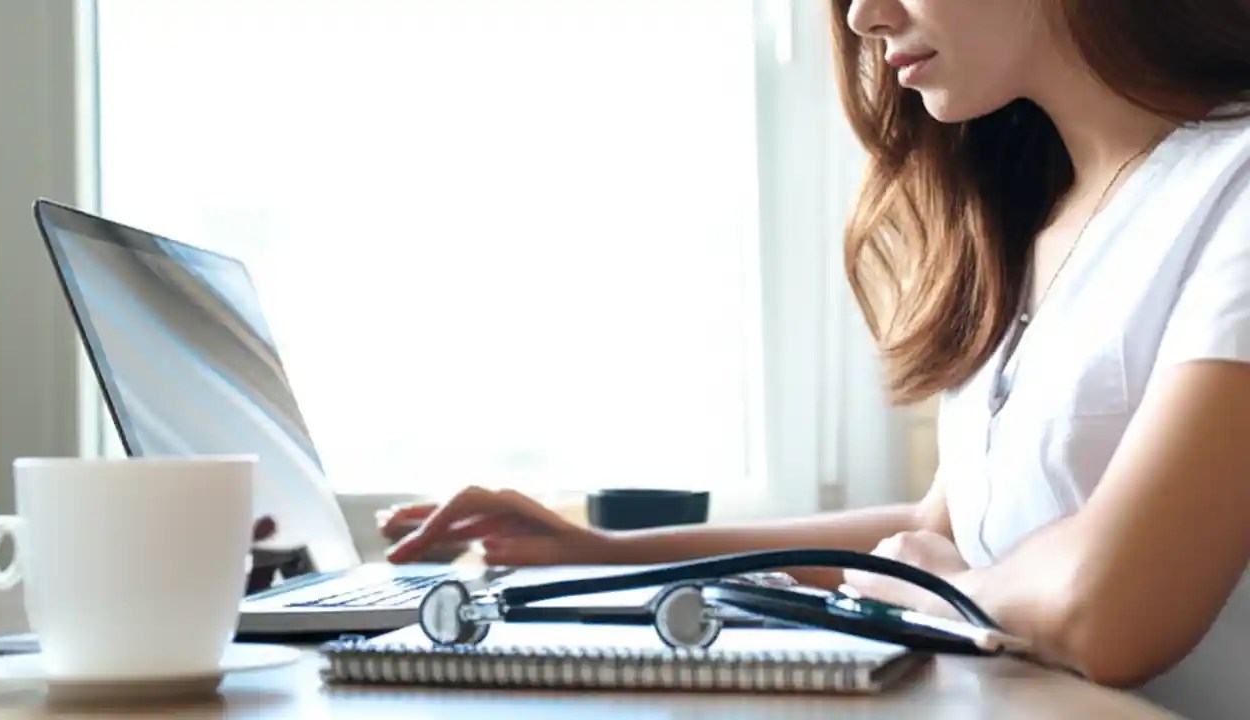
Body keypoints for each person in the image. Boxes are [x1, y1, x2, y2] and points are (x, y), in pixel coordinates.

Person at [377, 1, 1250, 717]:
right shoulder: (1039, 219)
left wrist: (941, 592)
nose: (865, 17)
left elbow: (1109, 609)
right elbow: (933, 533)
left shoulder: (1233, 192)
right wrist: (602, 552)